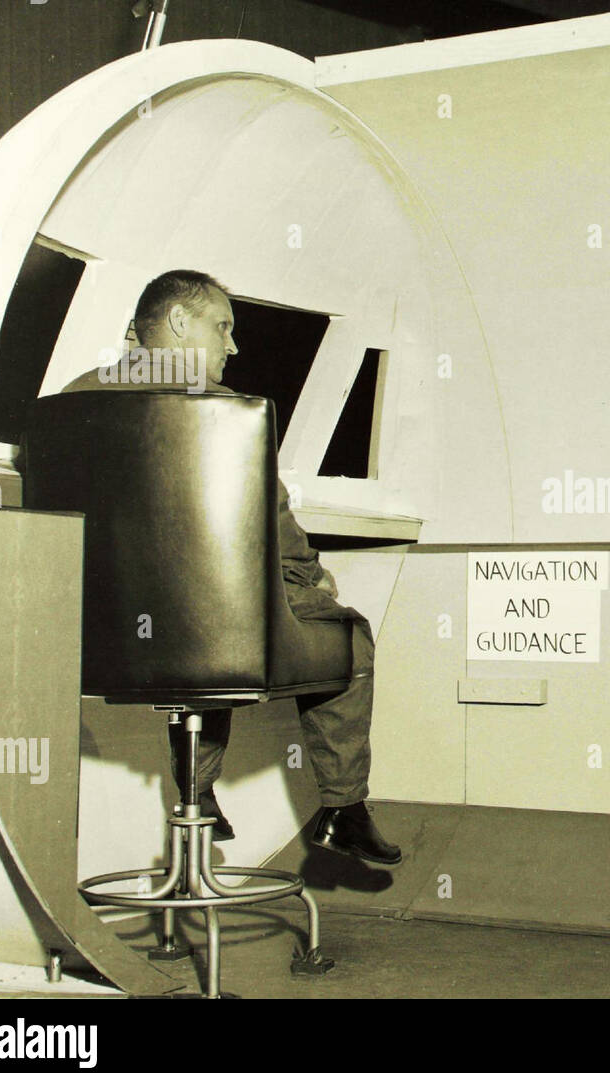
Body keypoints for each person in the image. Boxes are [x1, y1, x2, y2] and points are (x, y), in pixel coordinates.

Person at [62, 270, 401, 866]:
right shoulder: (220, 412)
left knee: (202, 614)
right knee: (345, 634)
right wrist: (311, 577)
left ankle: (197, 793)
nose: (233, 346)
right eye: (222, 327)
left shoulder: (70, 403)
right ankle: (344, 808)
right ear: (176, 323)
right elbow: (270, 527)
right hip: (206, 632)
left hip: (96, 636)